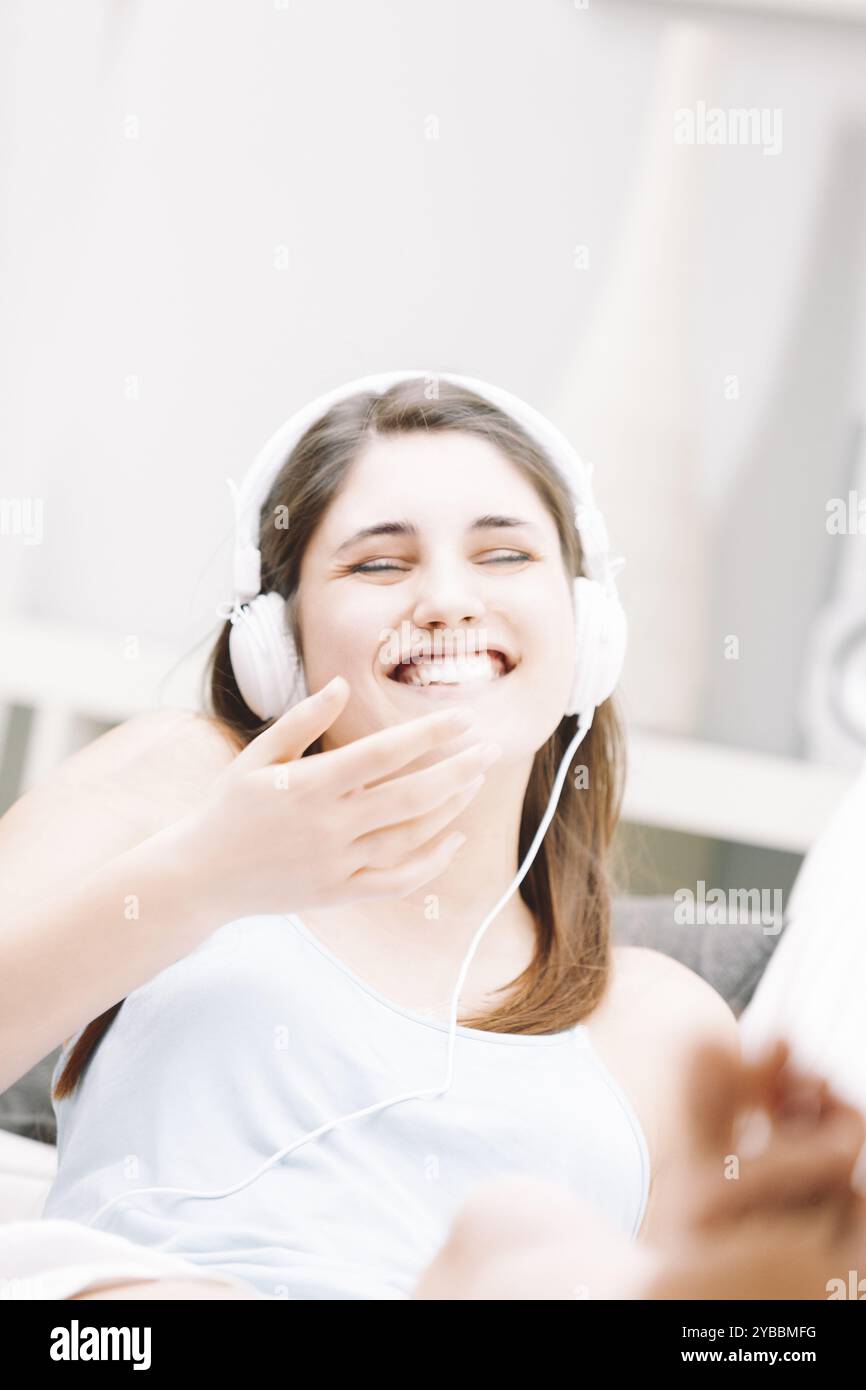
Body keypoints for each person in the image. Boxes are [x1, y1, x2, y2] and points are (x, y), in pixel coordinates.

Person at [2, 376, 860, 1299]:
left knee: (522, 1245)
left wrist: (815, 1269)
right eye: (379, 564)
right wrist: (208, 878)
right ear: (275, 646)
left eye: (504, 555)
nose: (448, 601)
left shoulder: (665, 1023)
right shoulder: (184, 791)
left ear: (589, 635)